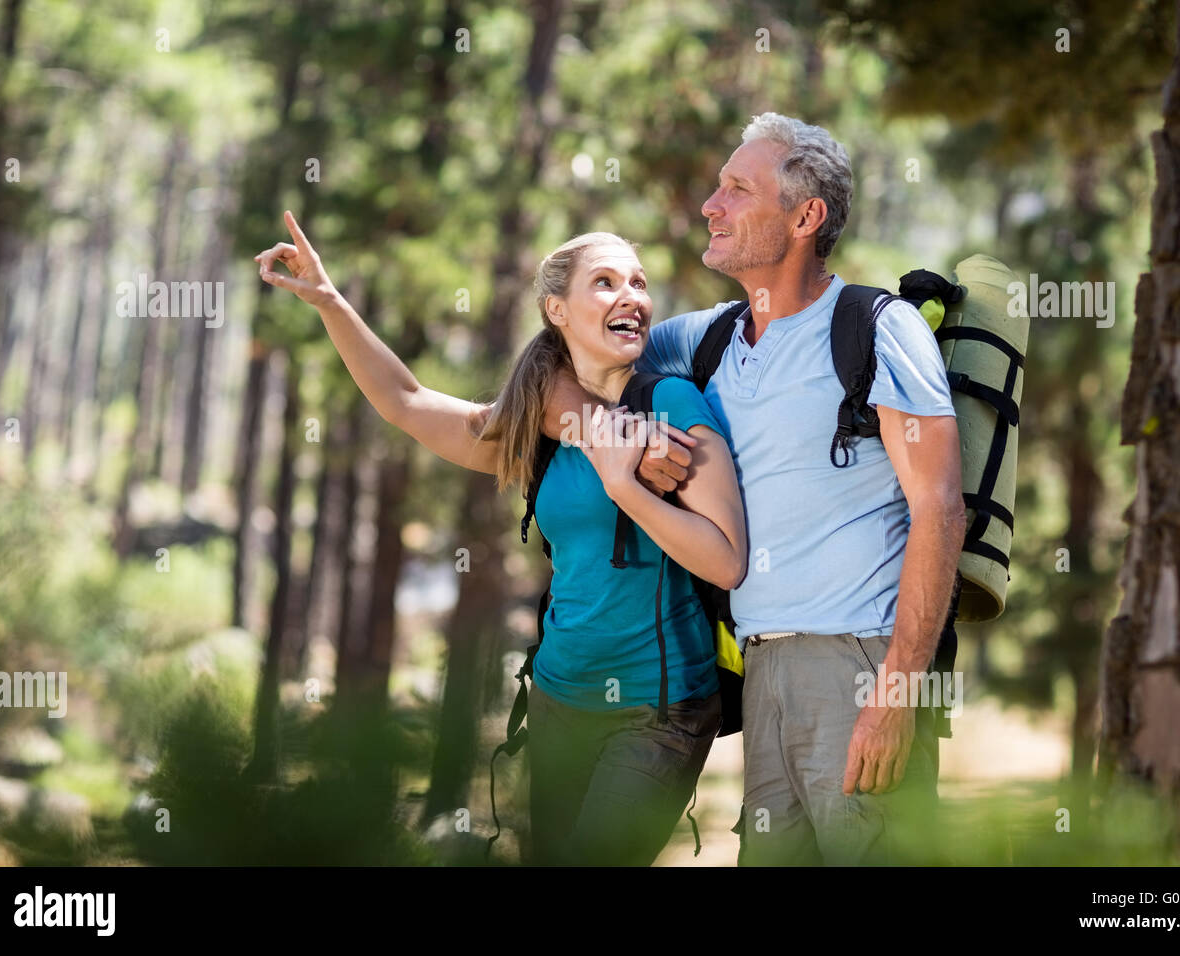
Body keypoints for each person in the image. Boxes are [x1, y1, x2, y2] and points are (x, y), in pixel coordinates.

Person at [254, 216, 747, 865]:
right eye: (605, 282)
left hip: (659, 711)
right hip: (558, 701)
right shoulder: (535, 429)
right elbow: (405, 401)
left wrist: (625, 486)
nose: (632, 295)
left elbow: (728, 559)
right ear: (557, 309)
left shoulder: (673, 404)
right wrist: (329, 300)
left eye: (638, 282)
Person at [548, 113, 967, 865]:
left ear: (805, 217)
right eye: (717, 187)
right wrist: (626, 441)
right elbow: (568, 361)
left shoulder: (878, 328)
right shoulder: (708, 338)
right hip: (761, 668)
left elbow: (940, 506)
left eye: (737, 189)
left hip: (861, 664)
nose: (711, 204)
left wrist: (899, 693)